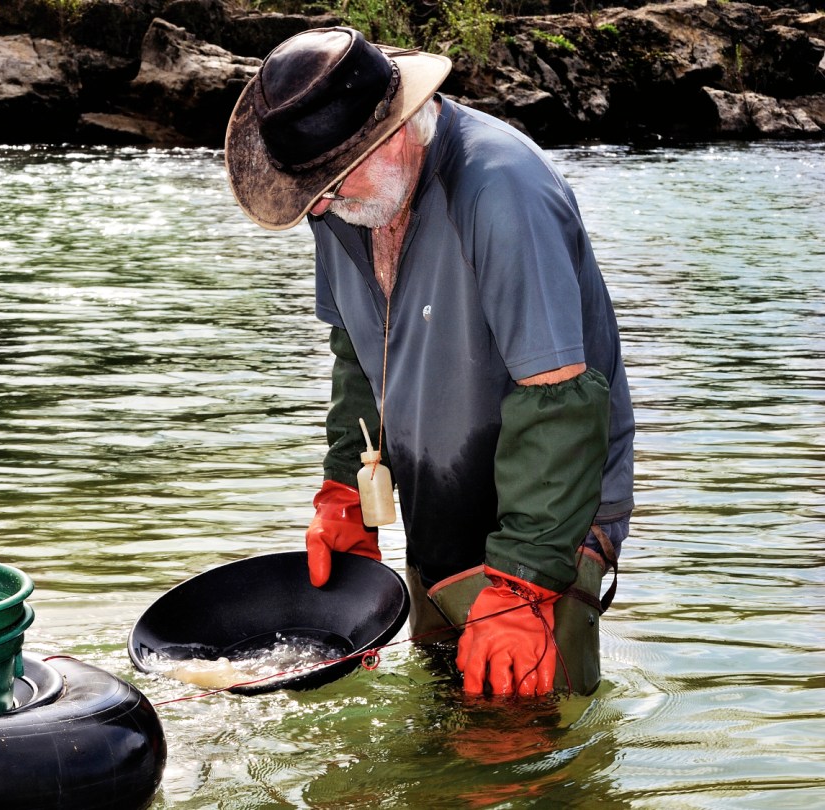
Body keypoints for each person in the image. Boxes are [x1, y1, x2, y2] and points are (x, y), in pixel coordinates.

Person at [223, 27, 634, 697]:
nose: (318, 207)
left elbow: (562, 399)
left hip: (545, 520)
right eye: (311, 189)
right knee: (444, 723)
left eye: (328, 182)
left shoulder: (503, 191)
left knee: (528, 751)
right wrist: (344, 497)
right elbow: (357, 356)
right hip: (437, 503)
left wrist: (523, 586)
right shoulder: (343, 205)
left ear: (395, 132)